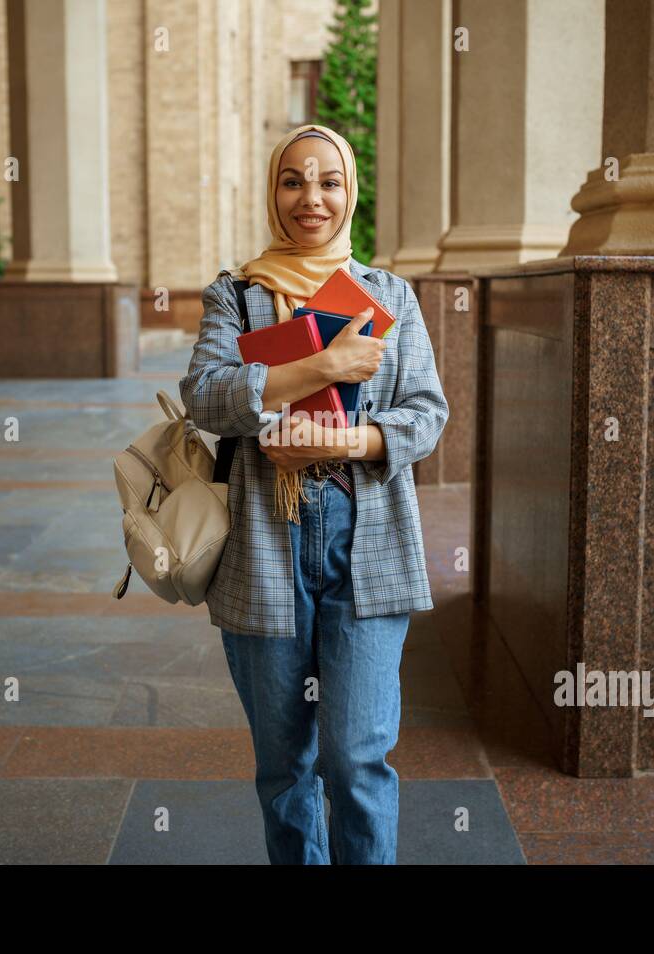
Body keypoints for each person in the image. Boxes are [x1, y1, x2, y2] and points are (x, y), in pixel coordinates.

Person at [179, 123, 449, 864]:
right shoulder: (236, 294)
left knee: (356, 759)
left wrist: (354, 442)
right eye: (293, 180)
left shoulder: (388, 294)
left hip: (367, 538)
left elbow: (428, 413)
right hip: (264, 542)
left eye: (329, 180)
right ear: (274, 192)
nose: (312, 198)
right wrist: (322, 365)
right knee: (284, 766)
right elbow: (204, 396)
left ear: (350, 191)